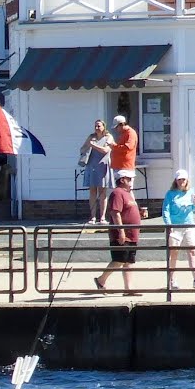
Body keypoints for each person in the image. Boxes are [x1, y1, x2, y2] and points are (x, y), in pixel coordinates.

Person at [94, 168, 143, 296]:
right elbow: (116, 213)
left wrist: (139, 214)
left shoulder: (128, 193)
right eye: (129, 179)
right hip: (122, 234)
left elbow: (128, 211)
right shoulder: (117, 193)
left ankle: (128, 288)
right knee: (119, 259)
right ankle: (101, 280)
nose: (131, 181)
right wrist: (121, 232)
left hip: (132, 234)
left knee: (129, 261)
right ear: (122, 180)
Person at [162, 167, 195, 290]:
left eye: (183, 179)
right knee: (174, 253)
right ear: (176, 180)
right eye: (179, 179)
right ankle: (171, 281)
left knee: (193, 251)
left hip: (189, 225)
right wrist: (169, 225)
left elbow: (194, 208)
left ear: (187, 180)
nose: (181, 182)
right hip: (175, 226)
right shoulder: (170, 194)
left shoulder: (191, 191)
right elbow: (165, 210)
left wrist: (194, 203)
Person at [77, 119, 114, 224]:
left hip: (103, 165)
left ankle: (102, 217)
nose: (97, 128)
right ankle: (92, 217)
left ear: (104, 127)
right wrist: (87, 148)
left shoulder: (108, 137)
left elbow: (106, 150)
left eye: (99, 126)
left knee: (102, 192)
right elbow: (82, 149)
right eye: (95, 126)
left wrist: (93, 146)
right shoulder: (91, 137)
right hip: (91, 166)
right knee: (92, 191)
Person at [109, 113, 138, 183]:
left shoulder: (130, 133)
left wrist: (114, 146)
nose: (116, 129)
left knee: (126, 190)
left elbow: (128, 147)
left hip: (125, 168)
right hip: (119, 167)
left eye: (116, 127)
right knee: (121, 190)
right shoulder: (123, 134)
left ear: (122, 124)